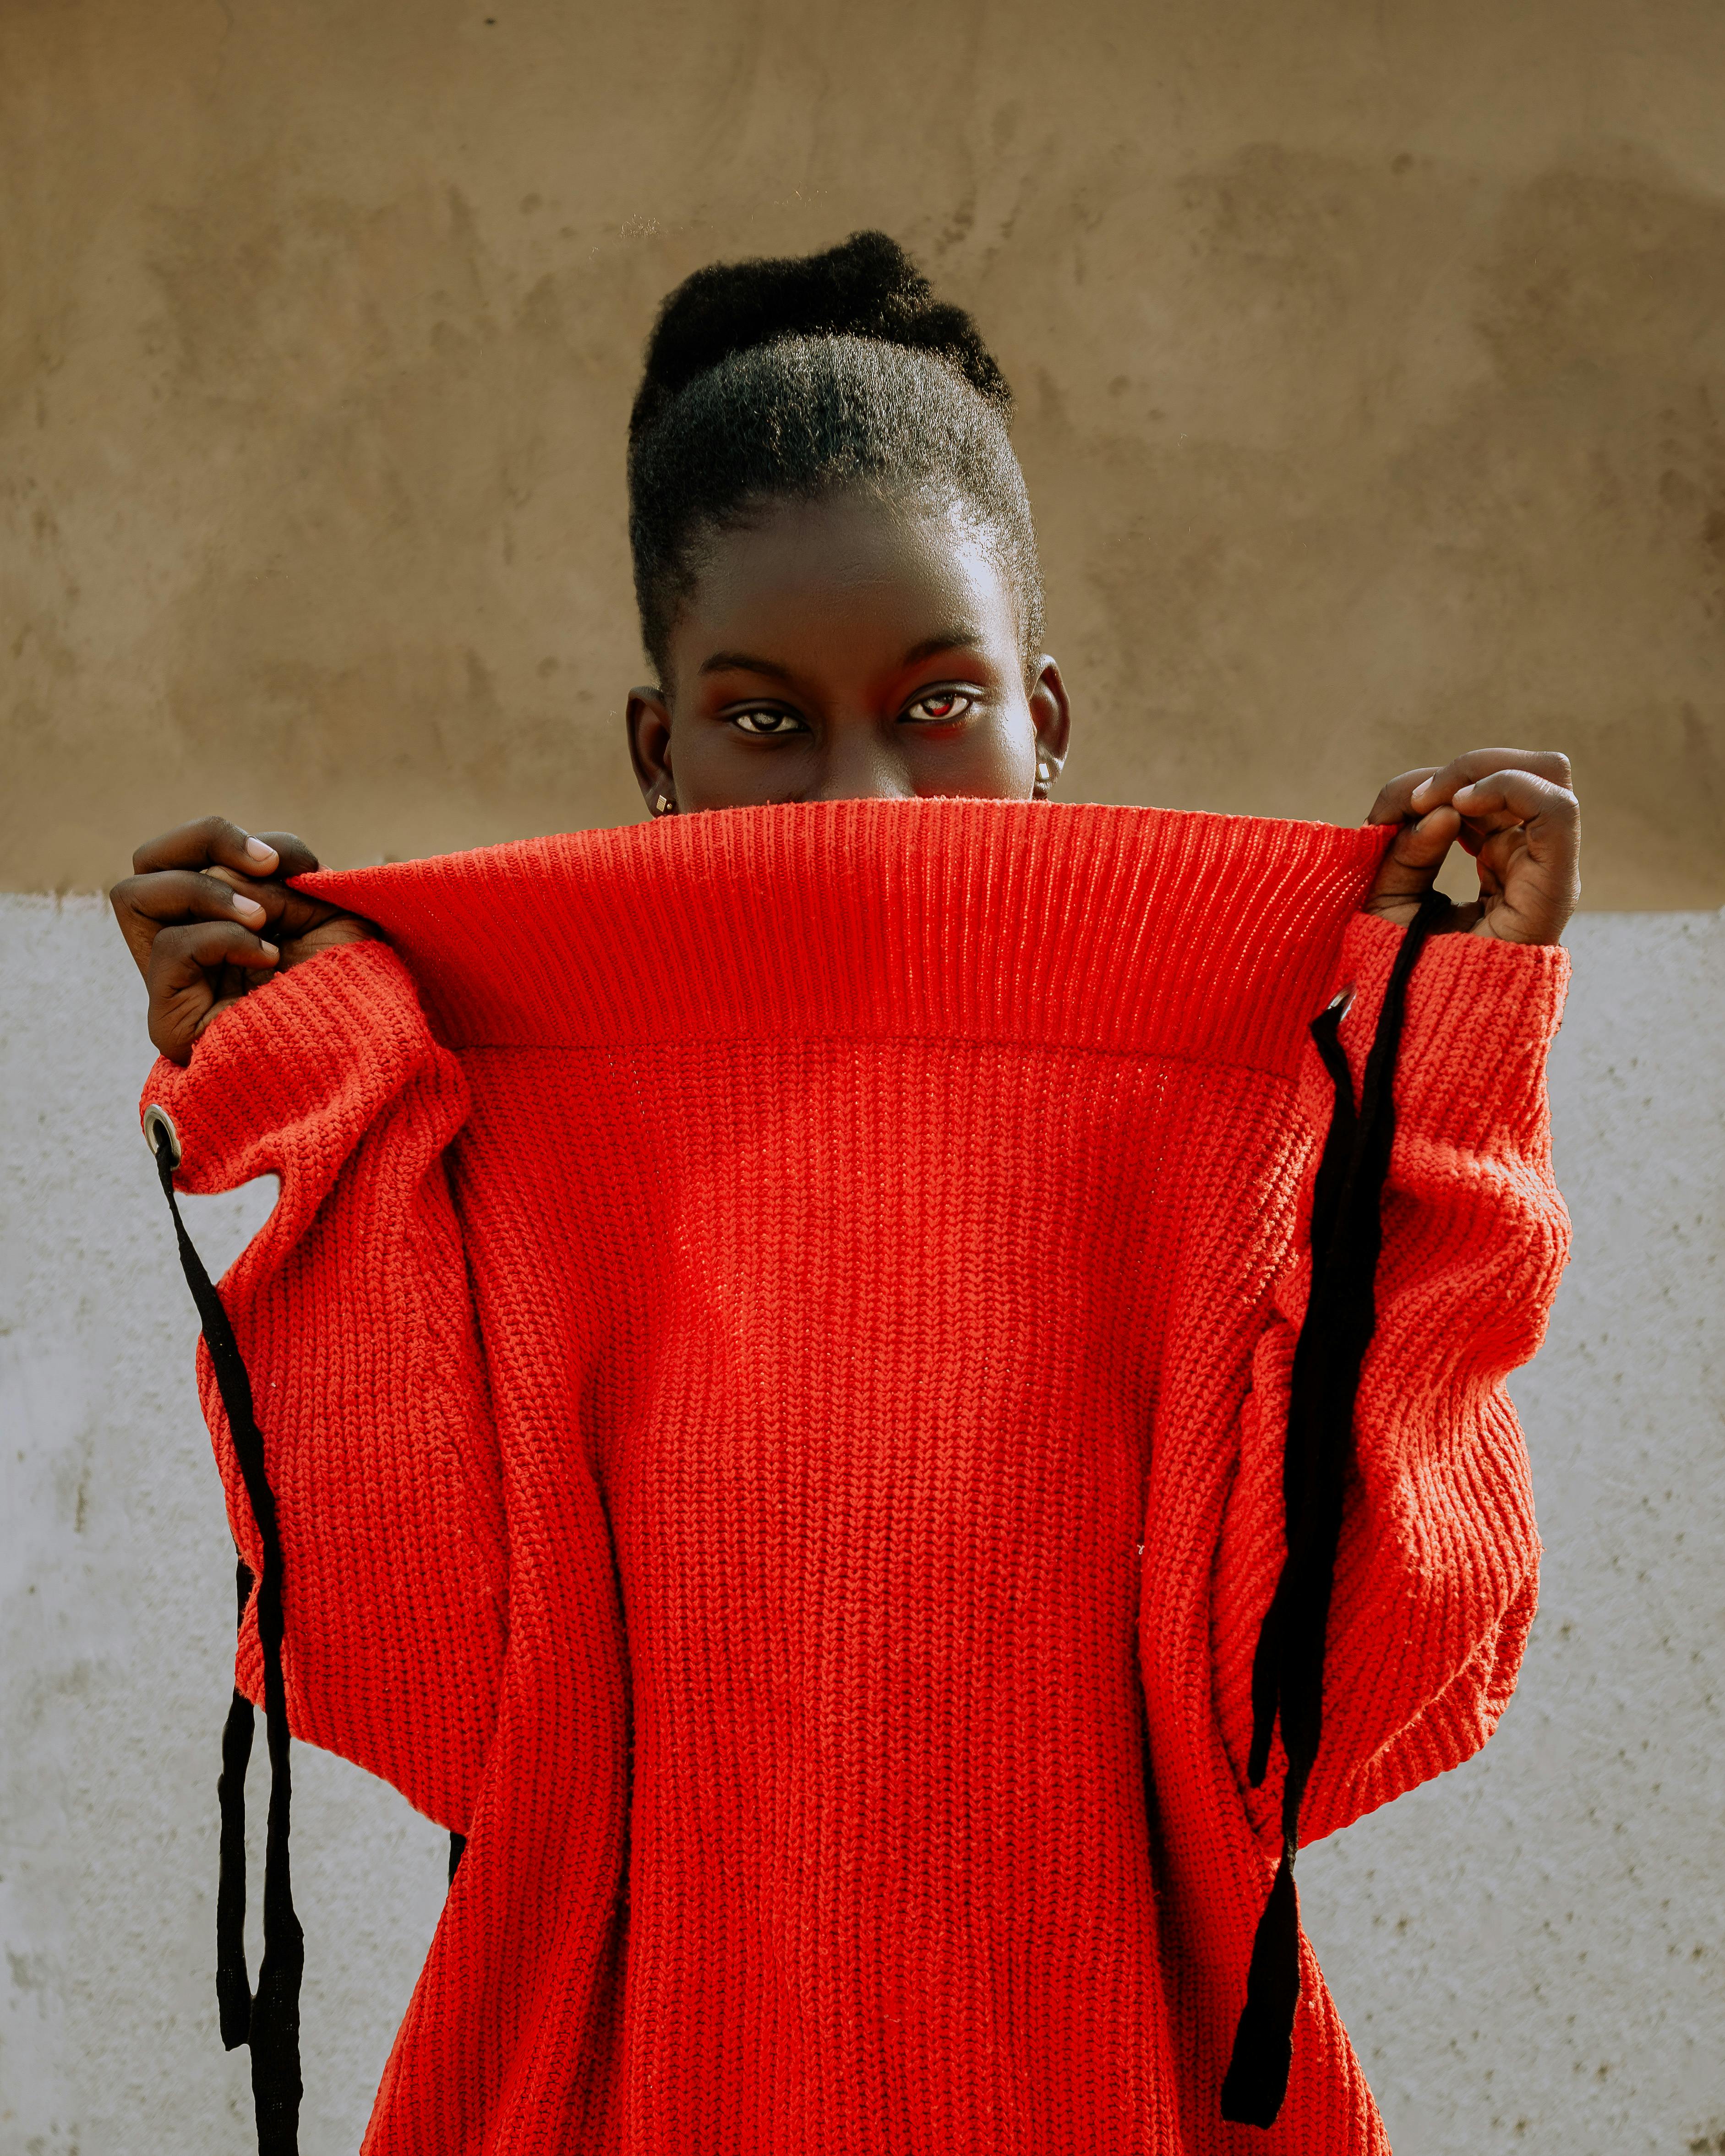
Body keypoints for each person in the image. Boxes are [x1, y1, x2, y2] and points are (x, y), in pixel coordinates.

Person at [110, 233, 1578, 2153]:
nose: (866, 798)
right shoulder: (484, 1122)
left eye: (940, 704)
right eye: (767, 719)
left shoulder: (1233, 1112)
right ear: (659, 750)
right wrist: (316, 1085)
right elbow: (408, 1663)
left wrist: (1437, 1070)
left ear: (1050, 723)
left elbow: (1369, 1682)